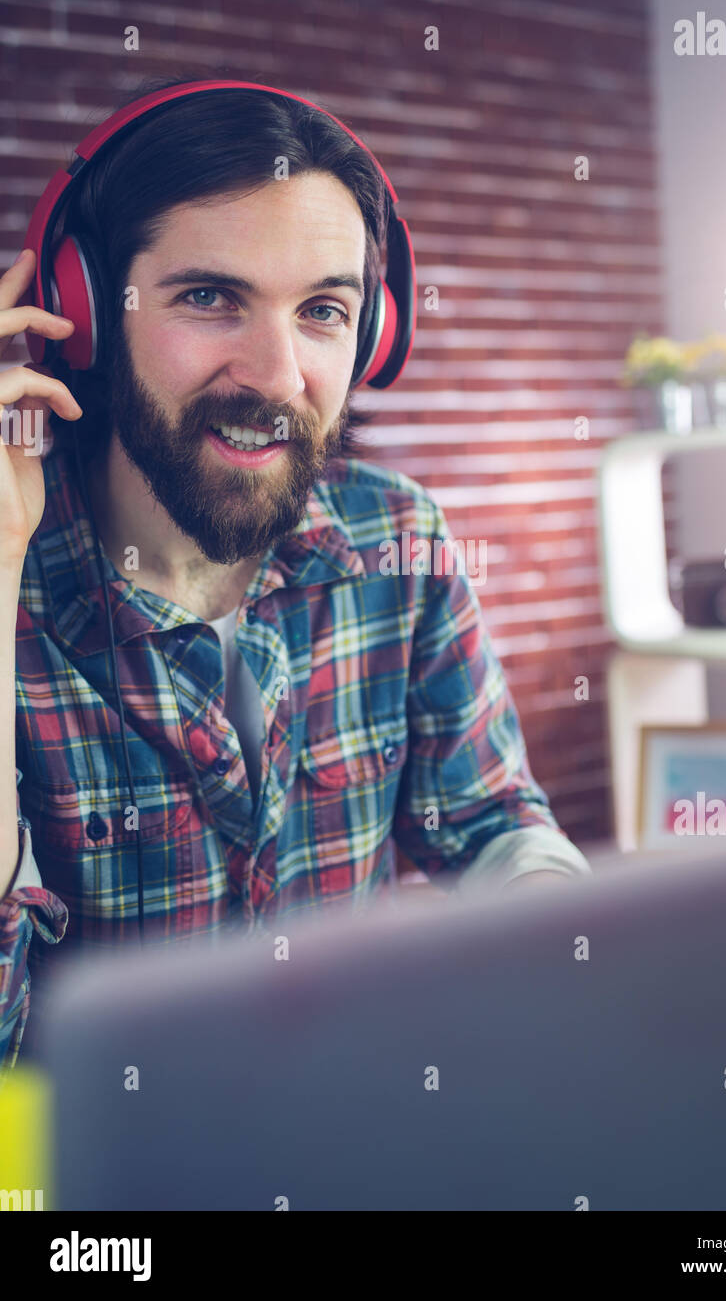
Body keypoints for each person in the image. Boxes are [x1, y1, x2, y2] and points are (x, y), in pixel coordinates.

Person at [0, 76, 590, 1075]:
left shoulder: (395, 535)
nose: (274, 374)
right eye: (208, 297)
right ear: (84, 312)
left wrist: (565, 935)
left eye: (321, 309)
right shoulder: (12, 571)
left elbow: (487, 822)